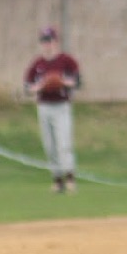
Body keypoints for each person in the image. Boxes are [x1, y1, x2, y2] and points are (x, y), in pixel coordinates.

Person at [23, 26, 82, 193]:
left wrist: (60, 82)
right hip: (44, 106)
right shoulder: (37, 64)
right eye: (44, 41)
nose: (47, 44)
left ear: (56, 42)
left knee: (64, 144)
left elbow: (77, 82)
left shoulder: (66, 61)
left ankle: (70, 178)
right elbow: (28, 87)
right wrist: (42, 85)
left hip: (61, 106)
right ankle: (57, 180)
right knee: (50, 146)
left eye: (49, 40)